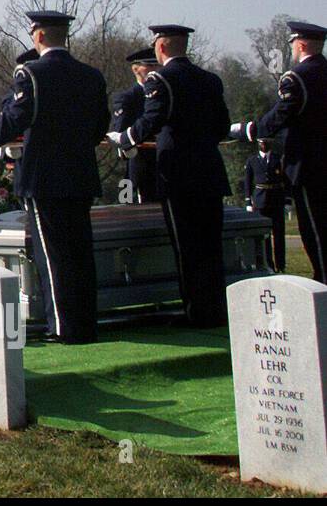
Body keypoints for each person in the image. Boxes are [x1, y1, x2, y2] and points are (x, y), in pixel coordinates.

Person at [0, 11, 109, 343]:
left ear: (39, 36)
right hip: (81, 175)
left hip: (45, 176)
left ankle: (64, 327)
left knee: (53, 253)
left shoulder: (31, 73)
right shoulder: (91, 76)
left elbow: (16, 117)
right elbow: (100, 126)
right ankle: (86, 323)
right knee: (81, 252)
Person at [107, 25, 231, 326]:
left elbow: (151, 119)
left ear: (161, 47)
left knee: (187, 246)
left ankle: (197, 312)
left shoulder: (160, 79)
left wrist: (125, 139)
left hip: (178, 173)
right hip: (210, 171)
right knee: (211, 246)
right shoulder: (210, 79)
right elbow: (222, 127)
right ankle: (216, 309)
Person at [231, 20, 327, 282]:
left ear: (302, 44)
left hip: (308, 165)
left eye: (293, 43)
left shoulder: (296, 78)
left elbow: (280, 116)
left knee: (316, 233)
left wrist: (249, 130)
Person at [110, 47, 160, 203]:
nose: (156, 69)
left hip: (167, 162)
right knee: (134, 205)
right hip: (140, 164)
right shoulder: (128, 98)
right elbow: (121, 133)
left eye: (157, 65)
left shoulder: (166, 92)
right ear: (136, 69)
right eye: (150, 66)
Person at [243, 138, 287, 272]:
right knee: (264, 234)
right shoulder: (252, 160)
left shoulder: (278, 159)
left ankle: (281, 264)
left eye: (266, 142)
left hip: (276, 199)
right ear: (258, 144)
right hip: (260, 199)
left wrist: (288, 199)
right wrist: (248, 201)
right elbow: (247, 181)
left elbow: (286, 179)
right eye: (261, 142)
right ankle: (269, 264)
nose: (264, 145)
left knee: (279, 234)